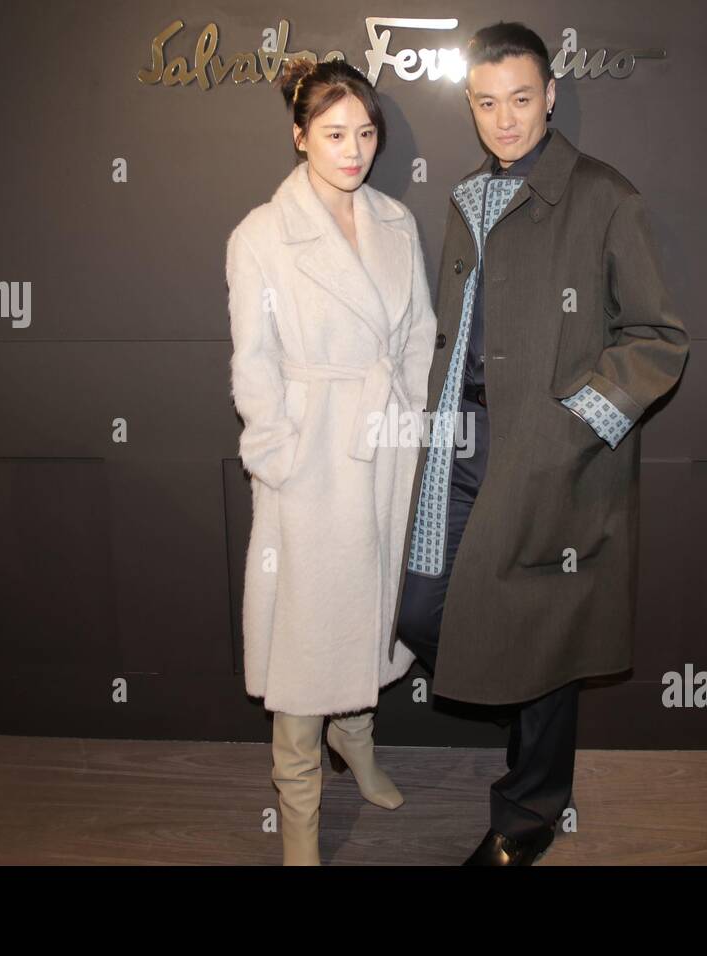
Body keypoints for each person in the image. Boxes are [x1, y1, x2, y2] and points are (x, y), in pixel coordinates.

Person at [393, 22, 691, 865]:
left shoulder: (603, 196)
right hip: (464, 441)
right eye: (486, 104)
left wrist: (568, 427)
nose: (505, 119)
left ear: (551, 96)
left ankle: (529, 816)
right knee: (423, 608)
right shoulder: (464, 199)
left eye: (521, 99)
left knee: (545, 631)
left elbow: (658, 338)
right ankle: (515, 705)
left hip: (552, 460)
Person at [225, 57, 437, 865]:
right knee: (308, 645)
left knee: (372, 614)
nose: (353, 151)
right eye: (334, 133)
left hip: (381, 451)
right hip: (311, 461)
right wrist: (279, 455)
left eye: (366, 133)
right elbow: (254, 361)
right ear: (299, 136)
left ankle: (360, 745)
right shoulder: (262, 235)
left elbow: (418, 332)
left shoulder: (395, 221)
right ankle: (301, 818)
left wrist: (410, 425)